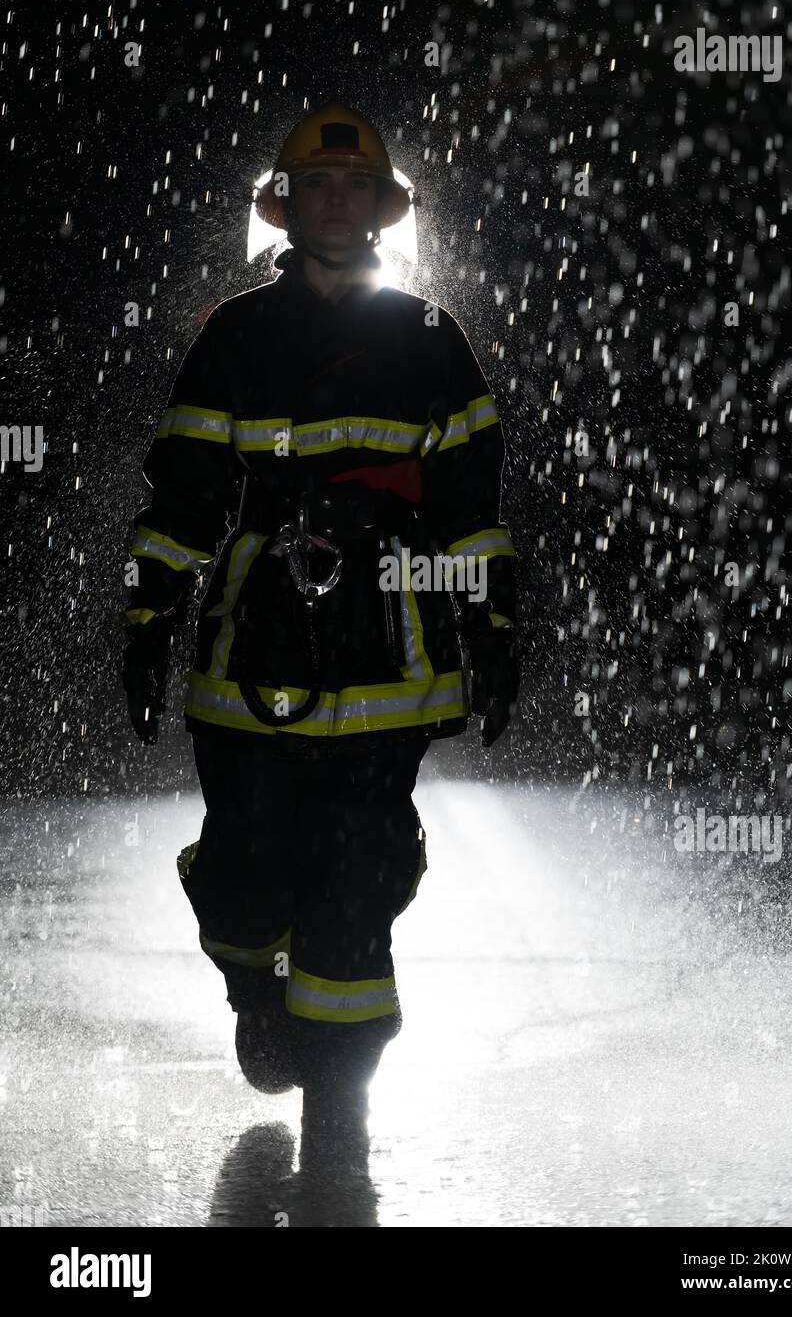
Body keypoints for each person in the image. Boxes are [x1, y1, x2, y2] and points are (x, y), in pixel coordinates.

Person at [120, 100, 520, 1165]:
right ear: (287, 208)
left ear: (382, 209)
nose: (336, 205)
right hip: (256, 648)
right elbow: (185, 490)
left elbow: (471, 497)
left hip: (389, 645)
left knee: (355, 879)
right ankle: (254, 979)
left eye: (355, 189)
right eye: (318, 188)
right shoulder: (235, 337)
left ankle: (337, 1108)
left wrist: (491, 617)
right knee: (249, 869)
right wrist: (148, 613)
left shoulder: (430, 339)